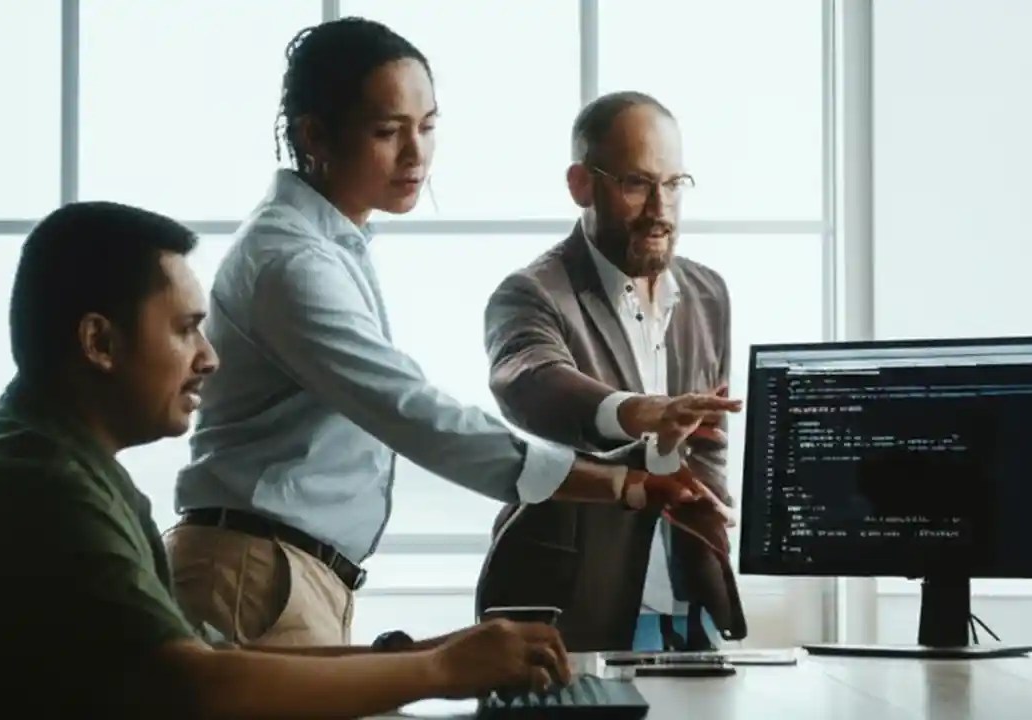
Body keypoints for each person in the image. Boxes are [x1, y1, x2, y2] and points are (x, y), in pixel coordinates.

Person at [166, 17, 734, 648]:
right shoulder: (292, 262)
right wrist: (622, 483)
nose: (417, 155)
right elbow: (417, 415)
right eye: (388, 132)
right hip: (256, 573)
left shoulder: (329, 248)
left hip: (287, 573)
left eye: (428, 126)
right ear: (314, 135)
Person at [0, 201, 577, 718]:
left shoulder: (62, 459)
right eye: (185, 330)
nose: (209, 358)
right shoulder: (42, 487)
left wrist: (434, 654)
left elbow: (217, 656)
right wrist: (439, 669)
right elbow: (195, 684)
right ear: (99, 342)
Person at [477, 91, 748, 651]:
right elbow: (531, 379)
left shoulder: (707, 294)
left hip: (691, 604)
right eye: (635, 184)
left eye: (673, 185)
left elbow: (710, 444)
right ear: (581, 185)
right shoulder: (531, 294)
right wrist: (640, 411)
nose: (659, 208)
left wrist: (718, 524)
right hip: (570, 609)